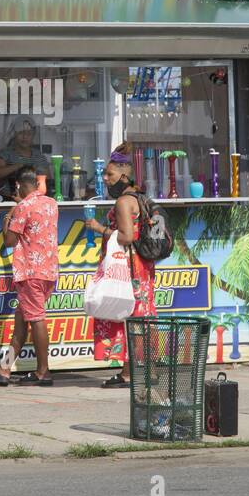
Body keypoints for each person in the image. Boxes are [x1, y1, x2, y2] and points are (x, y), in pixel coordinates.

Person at [84, 143, 158, 388]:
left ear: (123, 176)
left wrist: (99, 229)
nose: (105, 179)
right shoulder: (140, 197)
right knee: (138, 319)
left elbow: (126, 236)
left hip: (129, 270)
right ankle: (137, 372)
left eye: (109, 175)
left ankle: (131, 373)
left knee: (128, 317)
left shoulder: (124, 202)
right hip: (142, 267)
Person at [0, 166, 59, 386]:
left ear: (18, 185)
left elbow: (10, 241)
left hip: (30, 272)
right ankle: (4, 369)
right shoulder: (51, 204)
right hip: (49, 270)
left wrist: (6, 223)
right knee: (21, 322)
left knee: (36, 319)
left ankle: (43, 372)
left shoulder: (23, 207)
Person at [0, 118, 52, 200]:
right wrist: (17, 166)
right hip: (8, 199)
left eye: (28, 134)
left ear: (33, 136)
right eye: (21, 133)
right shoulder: (6, 153)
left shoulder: (38, 156)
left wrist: (31, 173)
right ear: (15, 135)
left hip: (34, 200)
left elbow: (48, 179)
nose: (25, 137)